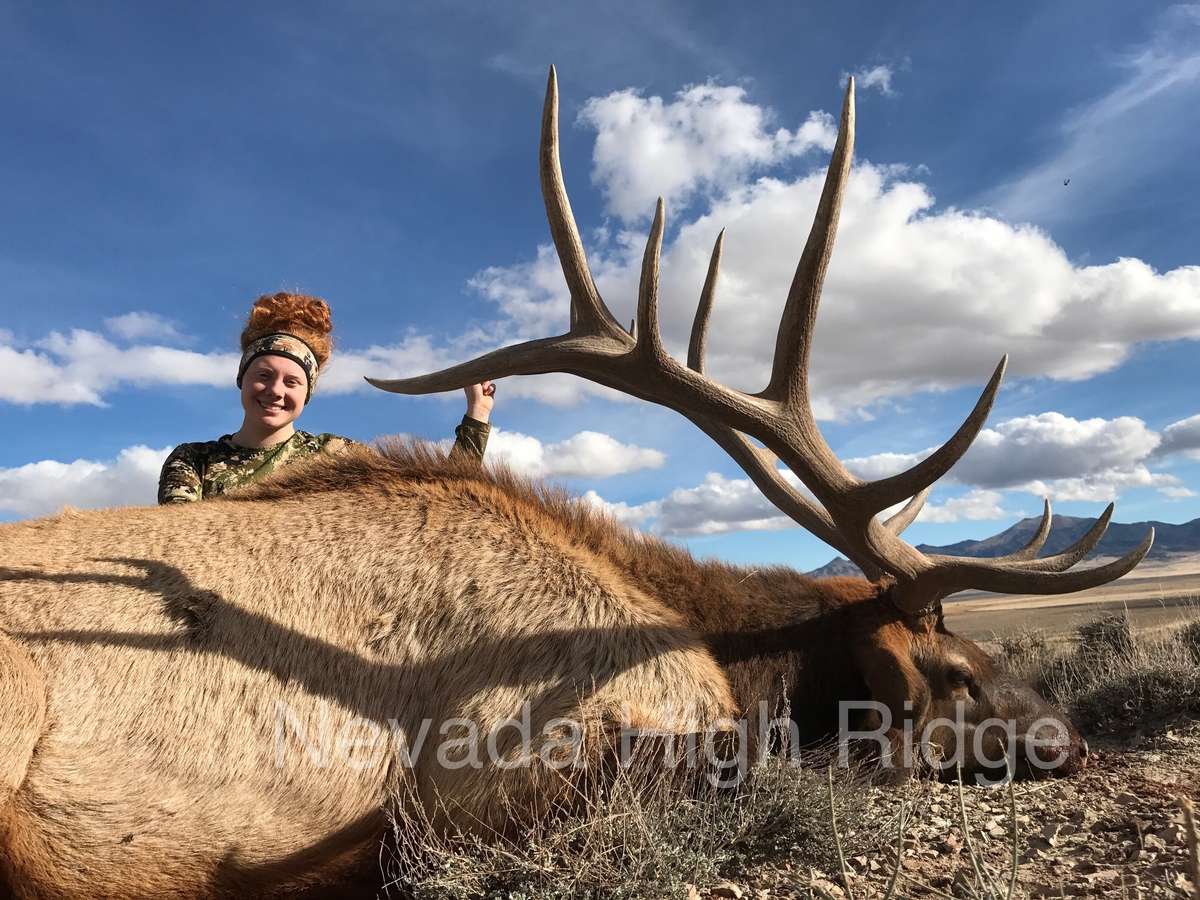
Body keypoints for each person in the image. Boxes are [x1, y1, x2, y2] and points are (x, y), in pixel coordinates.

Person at [157, 292, 494, 504]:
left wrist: (477, 414)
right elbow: (184, 540)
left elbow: (439, 497)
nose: (276, 390)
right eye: (263, 375)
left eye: (292, 382)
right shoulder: (192, 460)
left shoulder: (338, 456)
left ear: (307, 395)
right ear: (241, 379)